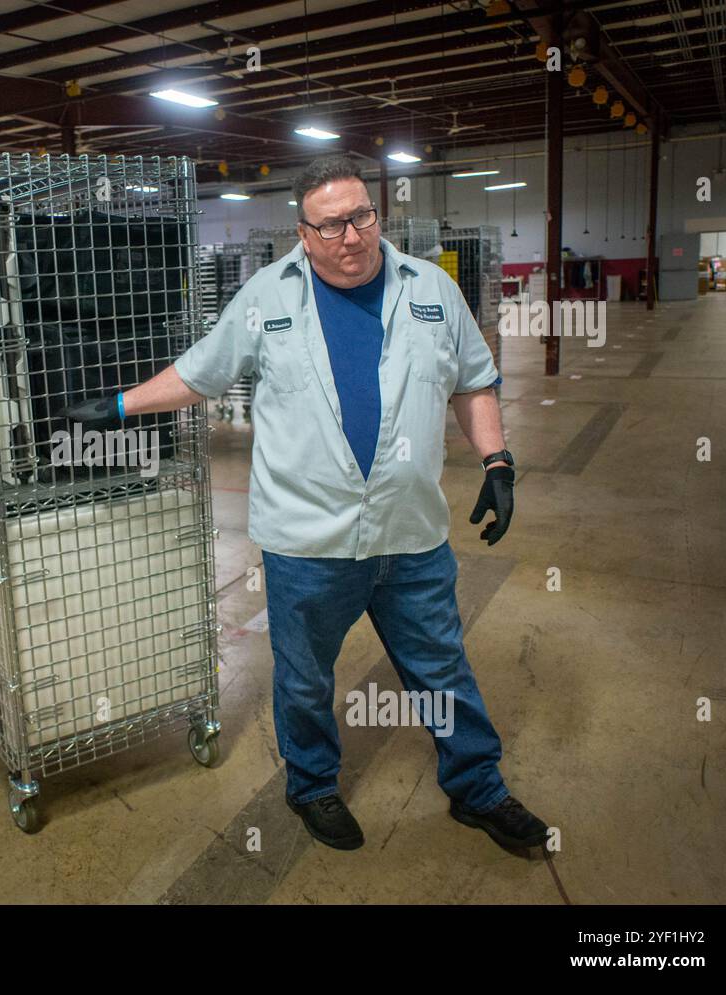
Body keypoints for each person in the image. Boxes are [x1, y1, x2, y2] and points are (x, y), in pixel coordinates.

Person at [63, 154, 548, 854]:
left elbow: (474, 381)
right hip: (306, 541)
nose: (352, 237)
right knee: (303, 677)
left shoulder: (432, 290)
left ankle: (478, 788)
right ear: (302, 231)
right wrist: (117, 406)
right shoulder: (267, 296)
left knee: (442, 668)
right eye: (332, 226)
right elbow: (203, 372)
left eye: (362, 217)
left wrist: (497, 461)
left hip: (410, 533)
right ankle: (313, 784)